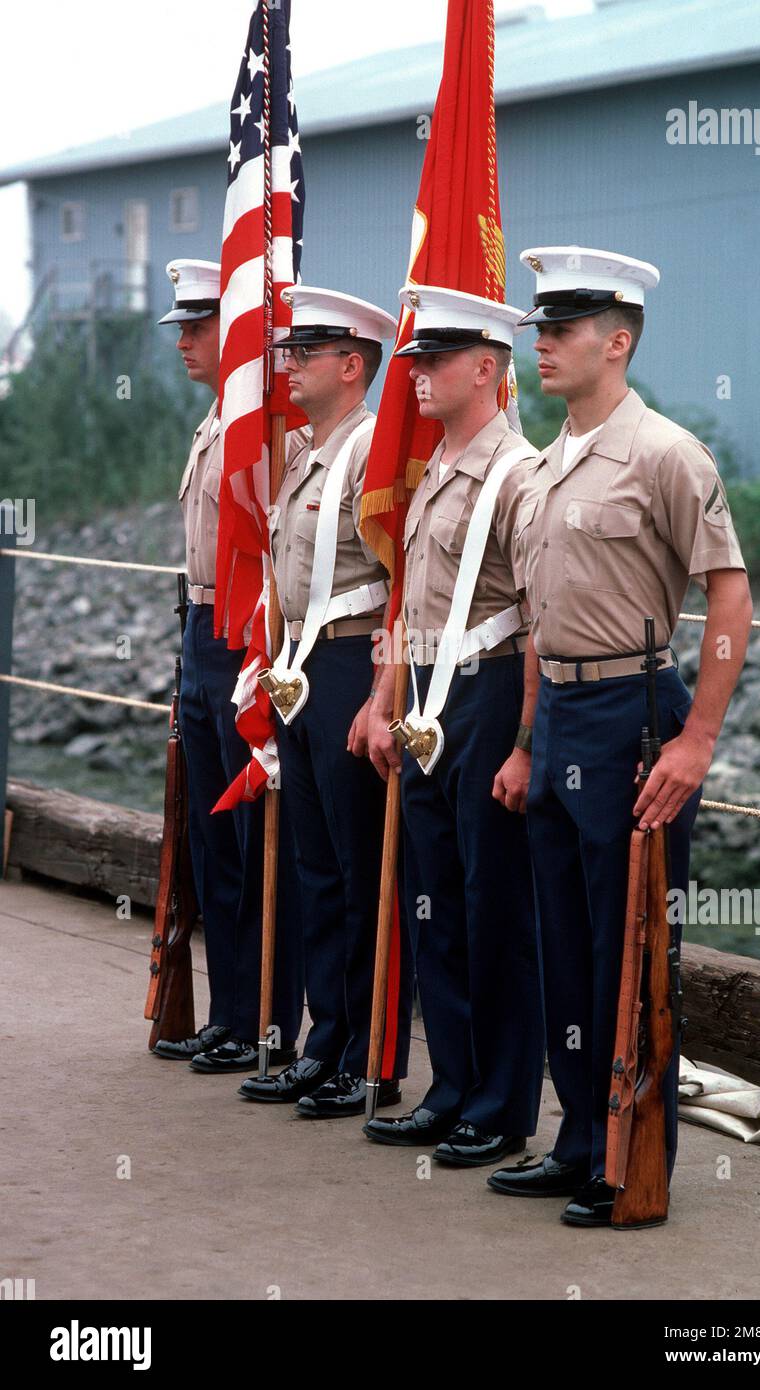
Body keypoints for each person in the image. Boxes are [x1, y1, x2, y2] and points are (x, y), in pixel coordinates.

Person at [488, 245, 752, 1224]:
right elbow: (532, 618)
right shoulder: (540, 469)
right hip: (557, 710)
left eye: (561, 330)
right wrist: (521, 741)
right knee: (562, 944)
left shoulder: (668, 455)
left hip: (634, 717)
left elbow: (730, 590)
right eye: (541, 329)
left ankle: (633, 1155)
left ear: (618, 339)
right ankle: (575, 1138)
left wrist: (698, 739)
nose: (543, 344)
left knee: (634, 944)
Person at [365, 286, 545, 1168]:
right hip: (432, 697)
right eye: (415, 361)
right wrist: (389, 699)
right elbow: (412, 601)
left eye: (434, 361)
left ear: (487, 367)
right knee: (434, 896)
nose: (419, 377)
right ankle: (452, 1086)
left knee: (492, 904)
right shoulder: (435, 468)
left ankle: (503, 1104)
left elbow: (544, 619)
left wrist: (524, 742)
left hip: (491, 688)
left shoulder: (520, 474)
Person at [240, 286, 412, 1117]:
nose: (288, 365)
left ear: (352, 366)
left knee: (360, 867)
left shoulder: (378, 450)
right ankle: (326, 1040)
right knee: (316, 869)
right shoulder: (307, 452)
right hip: (304, 669)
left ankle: (370, 1055)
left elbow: (400, 586)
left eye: (304, 354)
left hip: (352, 668)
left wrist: (383, 692)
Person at [154, 258, 303, 1074]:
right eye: (181, 327)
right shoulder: (216, 423)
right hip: (201, 632)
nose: (184, 341)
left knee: (258, 843)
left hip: (251, 637)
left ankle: (268, 1023)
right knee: (212, 842)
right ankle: (229, 1013)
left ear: (237, 328)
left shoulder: (274, 428)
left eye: (198, 326)